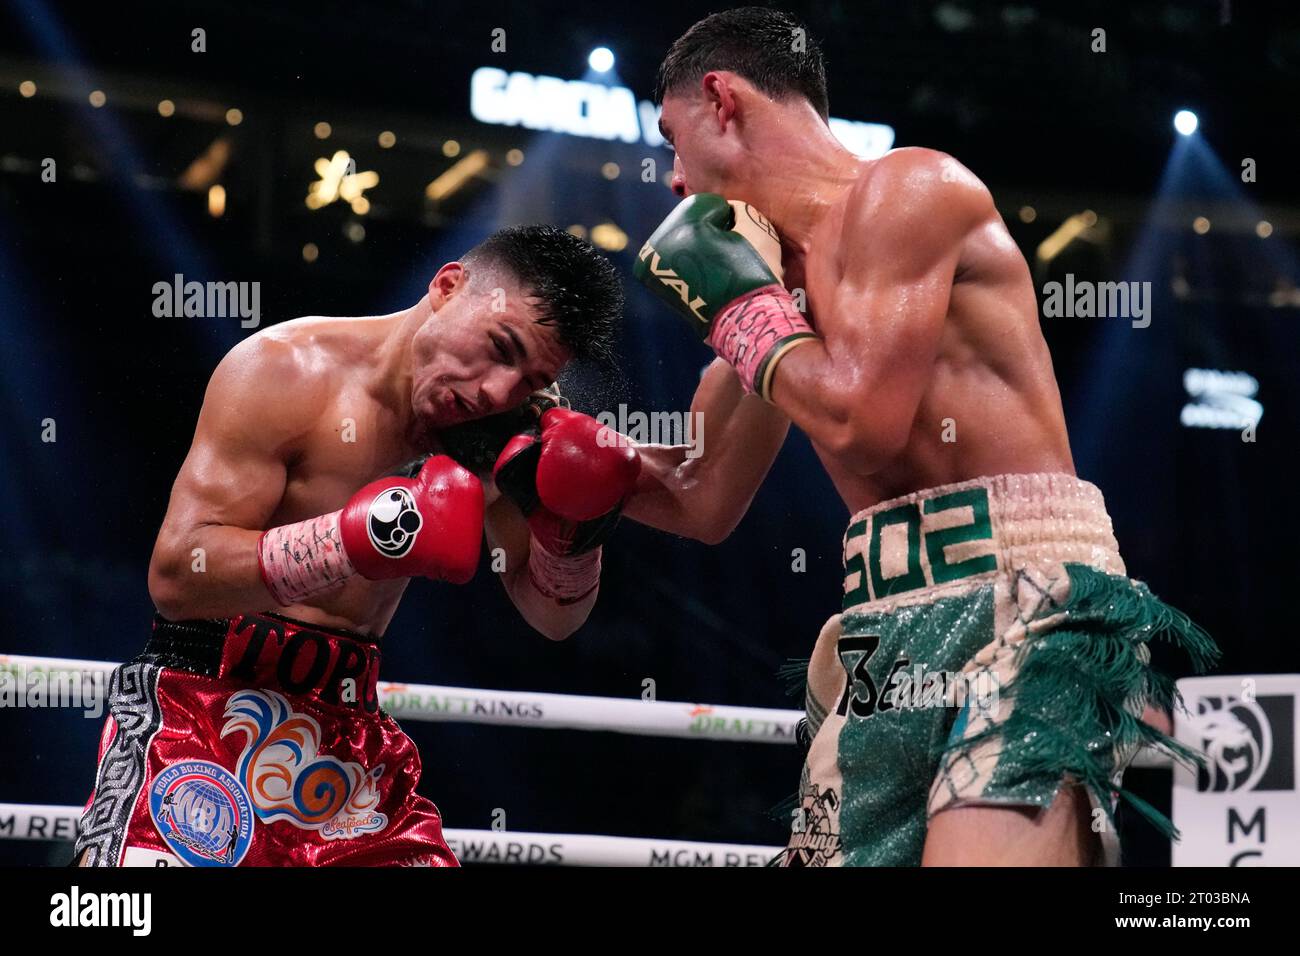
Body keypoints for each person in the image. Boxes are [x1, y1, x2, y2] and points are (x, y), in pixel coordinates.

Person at [624, 7, 1218, 866]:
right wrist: (543, 462)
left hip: (1031, 598)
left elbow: (859, 422)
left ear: (722, 99)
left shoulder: (909, 190)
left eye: (673, 140)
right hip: (879, 631)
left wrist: (739, 310)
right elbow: (701, 496)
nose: (674, 183)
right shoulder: (772, 298)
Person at [75, 225, 641, 867]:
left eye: (530, 378)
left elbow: (553, 617)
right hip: (202, 707)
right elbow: (178, 578)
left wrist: (573, 535)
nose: (497, 391)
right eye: (499, 348)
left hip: (348, 743)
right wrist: (357, 540)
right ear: (448, 286)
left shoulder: (503, 429)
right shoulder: (284, 368)